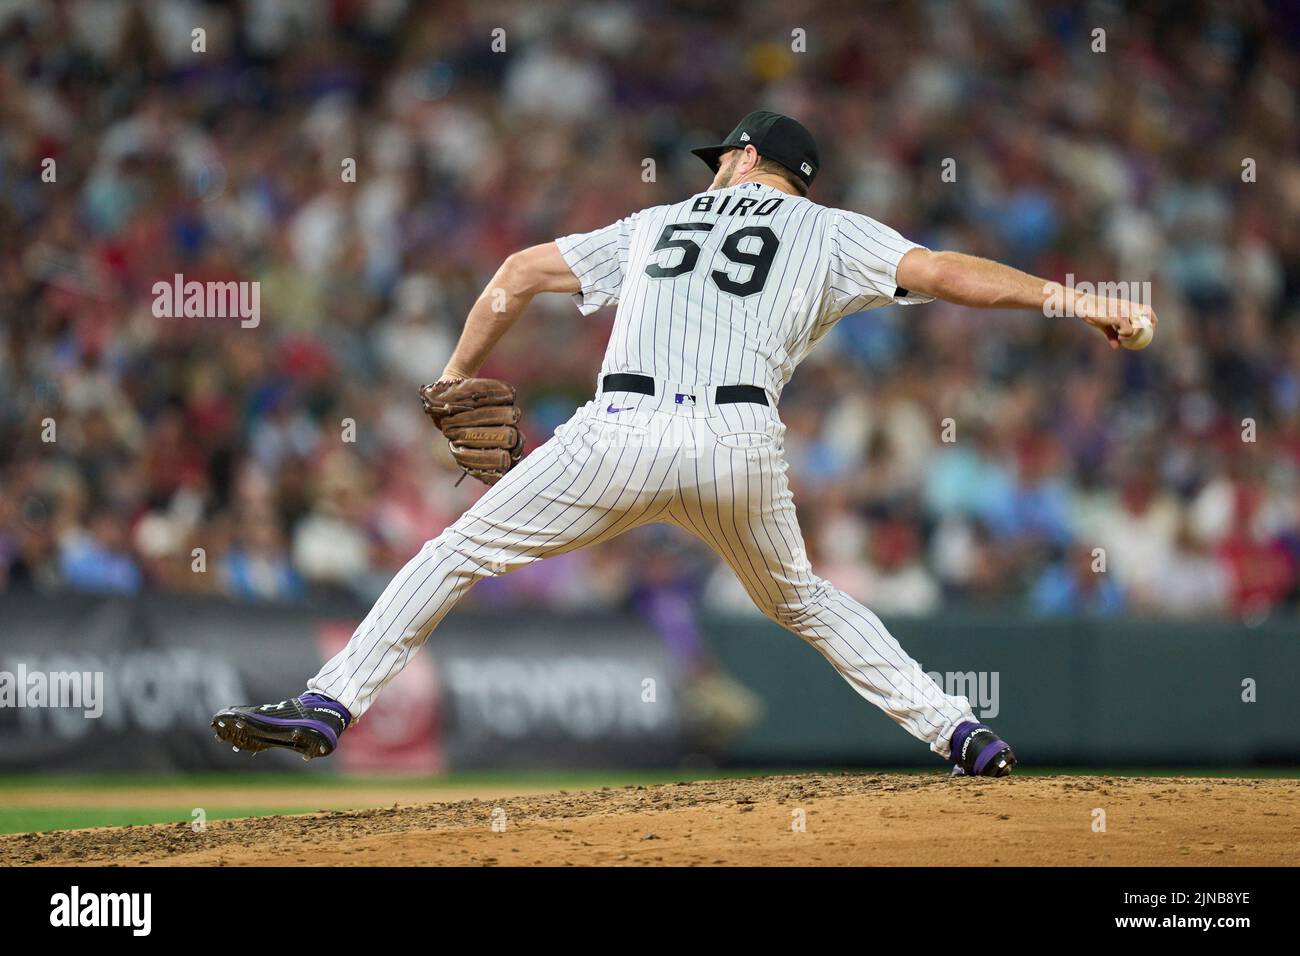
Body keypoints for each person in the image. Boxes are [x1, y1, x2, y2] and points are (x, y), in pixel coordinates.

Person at [212, 111, 1155, 776]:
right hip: (739, 443)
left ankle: (330, 703)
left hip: (618, 430)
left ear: (747, 157)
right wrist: (1074, 299)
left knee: (456, 551)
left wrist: (457, 374)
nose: (713, 167)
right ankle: (960, 733)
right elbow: (948, 274)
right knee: (805, 602)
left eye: (723, 154)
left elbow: (518, 270)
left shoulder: (657, 222)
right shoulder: (833, 231)